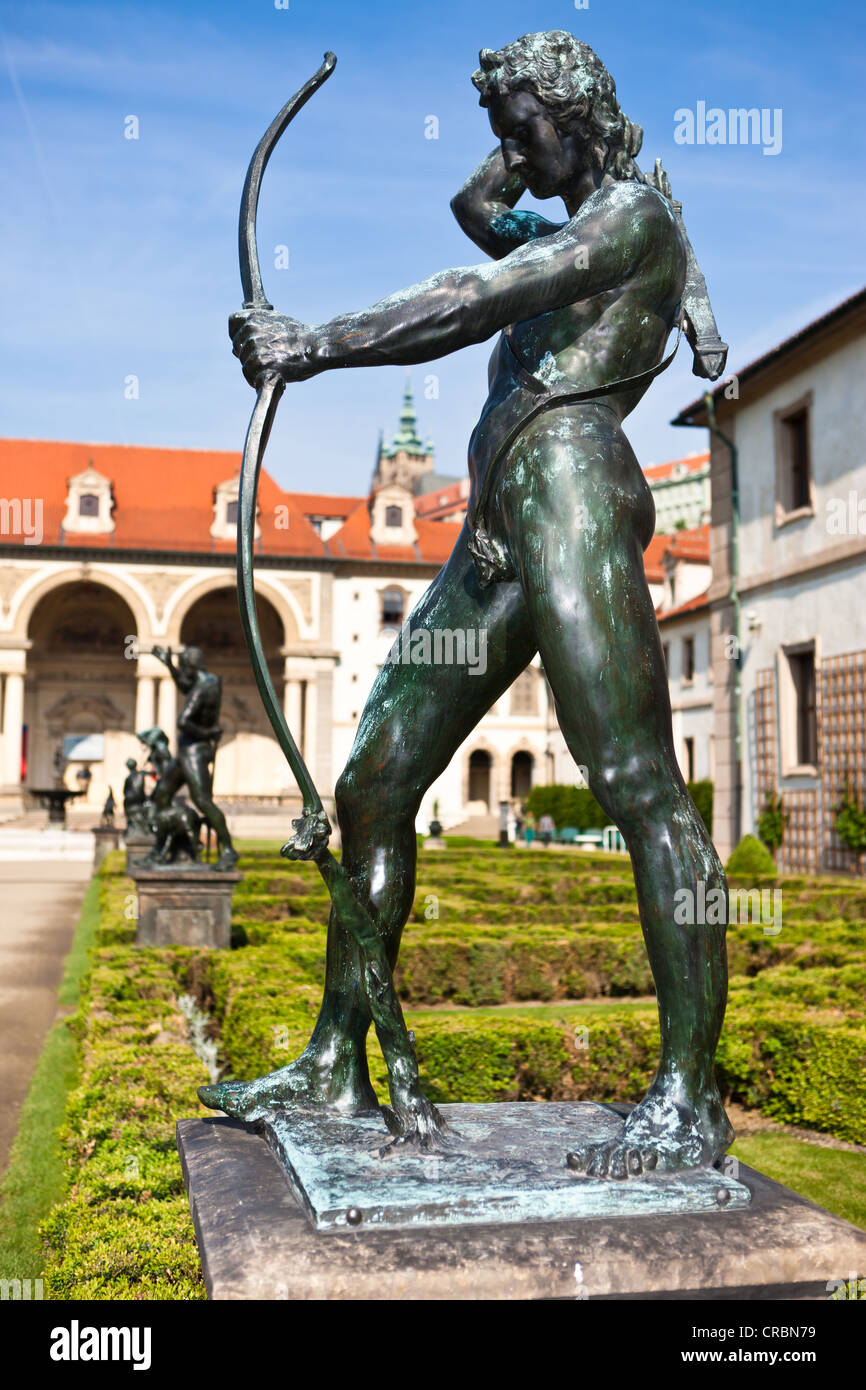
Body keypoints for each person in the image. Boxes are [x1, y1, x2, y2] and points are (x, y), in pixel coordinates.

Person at [202, 30, 731, 1177]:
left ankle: (689, 1092)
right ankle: (338, 1058)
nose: (502, 149)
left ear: (574, 114)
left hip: (573, 503)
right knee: (374, 778)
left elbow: (475, 290)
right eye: (497, 129)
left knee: (637, 784)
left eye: (517, 126)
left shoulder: (629, 223)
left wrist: (315, 343)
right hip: (497, 528)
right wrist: (519, 133)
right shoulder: (566, 217)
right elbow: (473, 211)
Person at [149, 647, 238, 871]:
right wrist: (169, 665)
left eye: (183, 666)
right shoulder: (205, 681)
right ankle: (162, 849)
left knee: (203, 801)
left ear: (190, 666)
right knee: (162, 794)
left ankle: (228, 850)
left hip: (194, 751)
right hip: (185, 753)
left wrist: (207, 734)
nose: (183, 672)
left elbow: (183, 721)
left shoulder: (204, 686)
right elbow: (185, 686)